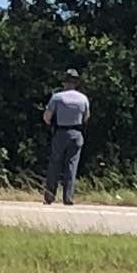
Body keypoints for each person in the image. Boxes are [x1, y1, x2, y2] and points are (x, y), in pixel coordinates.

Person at [42, 69, 90, 205]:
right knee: (71, 165)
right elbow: (86, 117)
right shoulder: (83, 99)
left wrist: (53, 125)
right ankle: (68, 198)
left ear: (64, 82)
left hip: (61, 132)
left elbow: (46, 117)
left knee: (54, 164)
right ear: (77, 83)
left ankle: (50, 196)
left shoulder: (57, 97)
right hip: (77, 133)